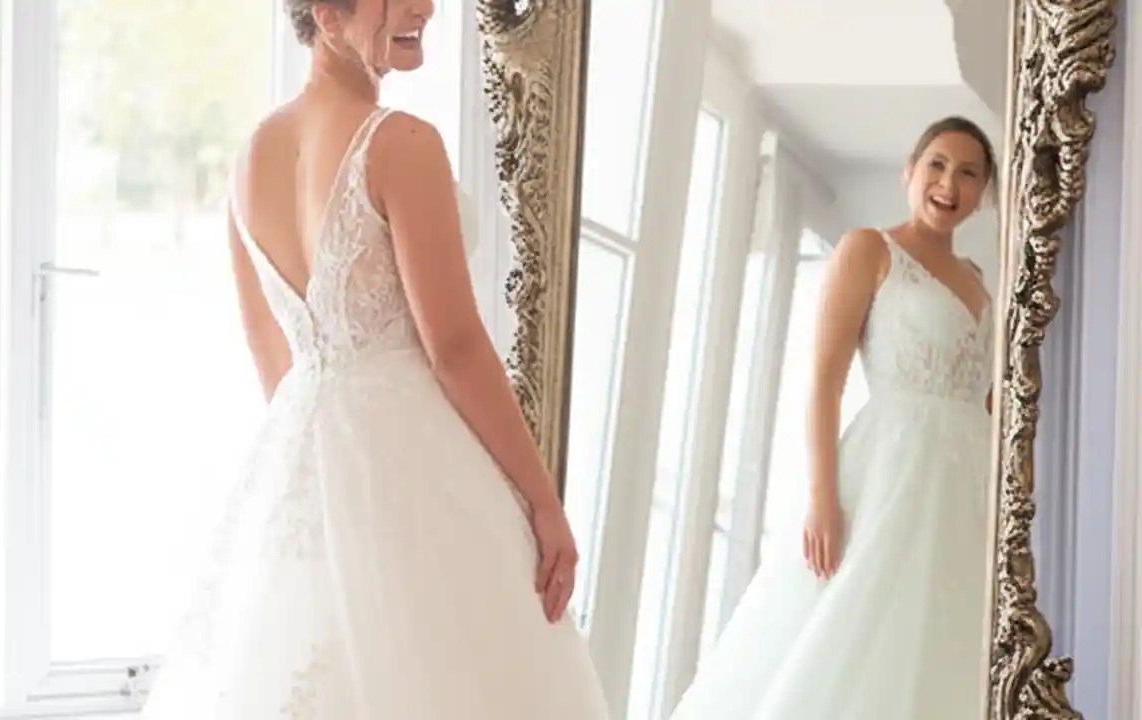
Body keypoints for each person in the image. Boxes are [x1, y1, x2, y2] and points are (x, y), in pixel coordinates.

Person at [141, 0, 609, 716]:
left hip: (301, 460)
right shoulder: (401, 144)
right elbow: (453, 346)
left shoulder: (250, 158)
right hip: (415, 464)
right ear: (328, 16)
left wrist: (315, 469)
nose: (425, 8)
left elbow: (269, 346)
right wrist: (544, 503)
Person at [671, 117, 997, 719]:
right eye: (938, 164)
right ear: (910, 171)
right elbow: (825, 379)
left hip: (968, 483)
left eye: (969, 172)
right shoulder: (871, 249)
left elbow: (985, 398)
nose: (949, 182)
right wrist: (823, 497)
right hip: (890, 470)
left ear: (982, 194)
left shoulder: (979, 282)